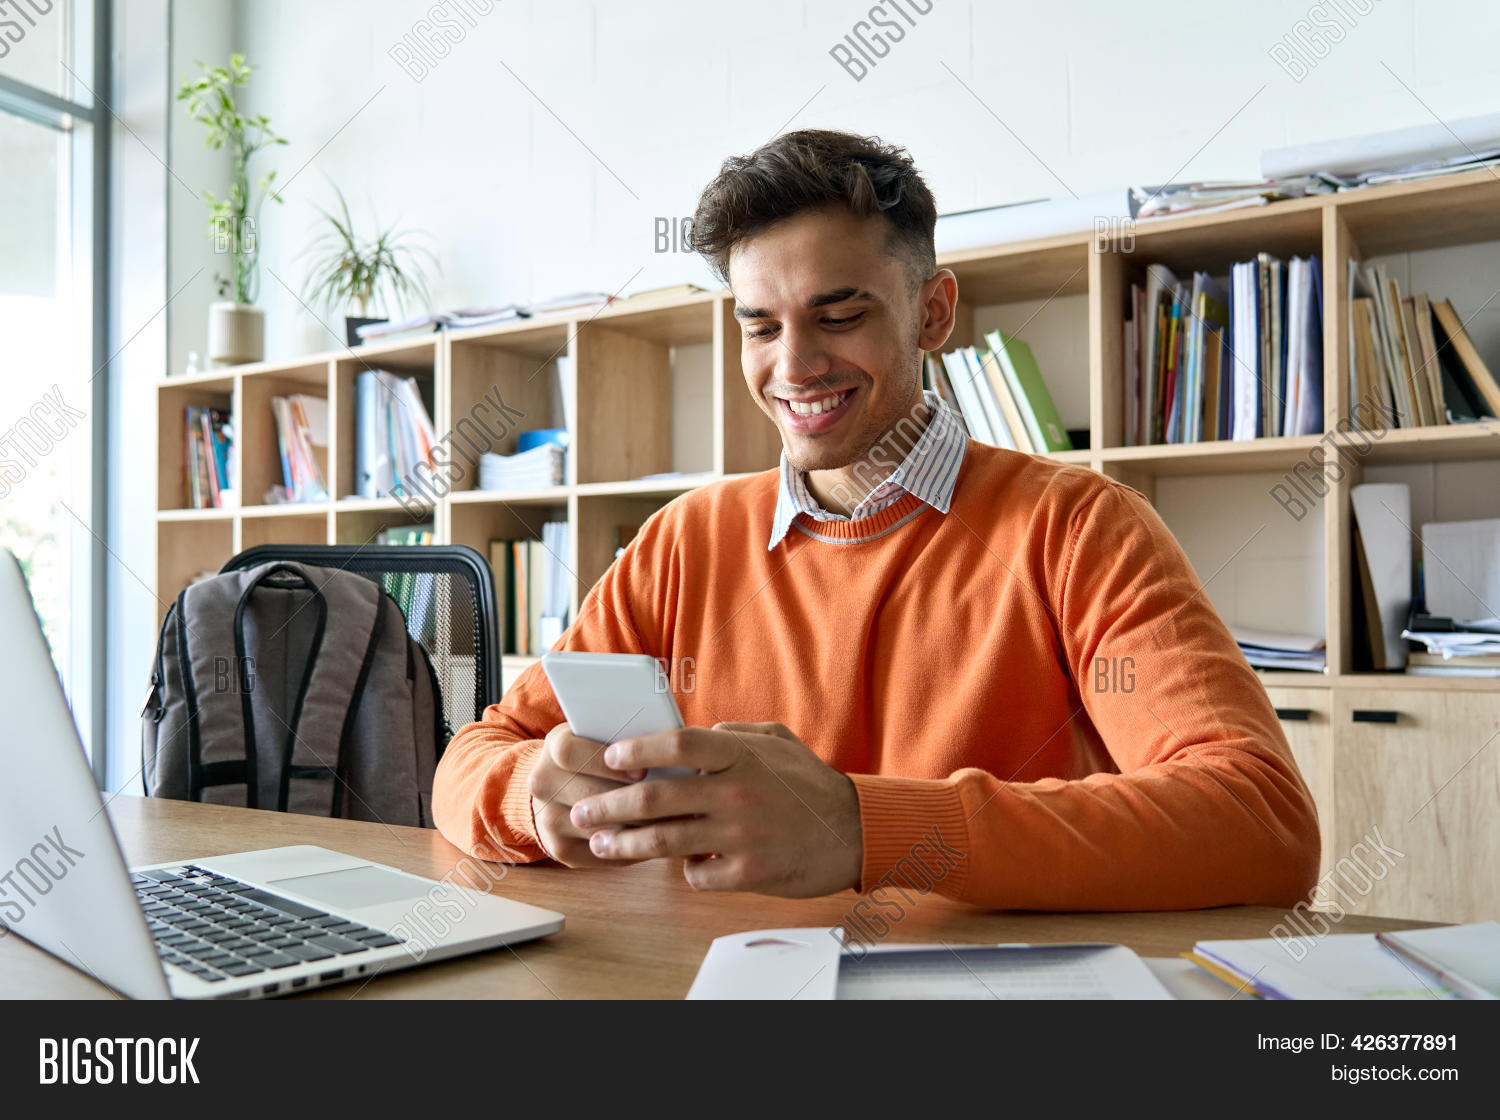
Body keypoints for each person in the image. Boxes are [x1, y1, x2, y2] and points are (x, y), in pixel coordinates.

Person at [433, 129, 1320, 910]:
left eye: (840, 314)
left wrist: (864, 827)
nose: (795, 365)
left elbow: (1260, 818)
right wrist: (530, 800)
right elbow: (474, 757)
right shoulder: (682, 541)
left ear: (932, 312)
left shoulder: (1080, 527)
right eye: (759, 326)